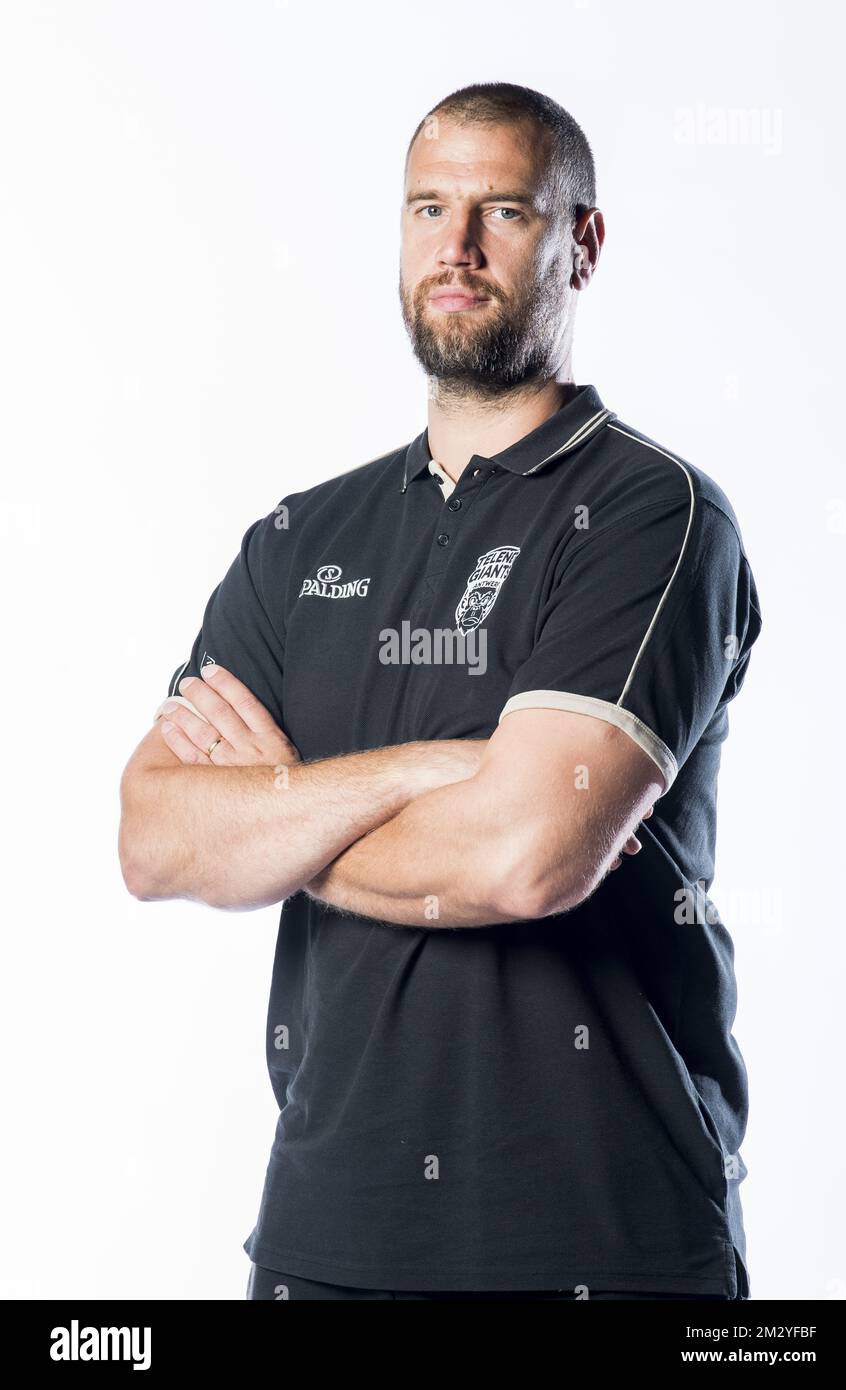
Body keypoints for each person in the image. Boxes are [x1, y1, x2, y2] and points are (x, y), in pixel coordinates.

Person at [119, 82, 762, 1301]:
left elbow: (525, 854)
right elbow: (153, 838)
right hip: (325, 1248)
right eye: (427, 208)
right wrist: (431, 769)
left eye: (501, 210)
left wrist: (273, 820)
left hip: (606, 1245)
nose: (454, 247)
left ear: (580, 243)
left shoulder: (650, 517)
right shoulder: (299, 540)